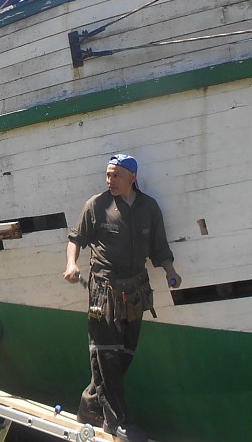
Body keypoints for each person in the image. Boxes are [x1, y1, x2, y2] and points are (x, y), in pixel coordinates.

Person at [64, 154, 181, 442]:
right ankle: (118, 422)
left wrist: (169, 271)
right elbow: (75, 238)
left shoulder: (148, 208)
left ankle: (90, 405)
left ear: (132, 177)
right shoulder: (97, 205)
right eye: (107, 175)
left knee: (125, 353)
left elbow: (159, 246)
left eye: (115, 175)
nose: (109, 180)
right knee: (106, 354)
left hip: (136, 290)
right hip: (103, 290)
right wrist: (71, 263)